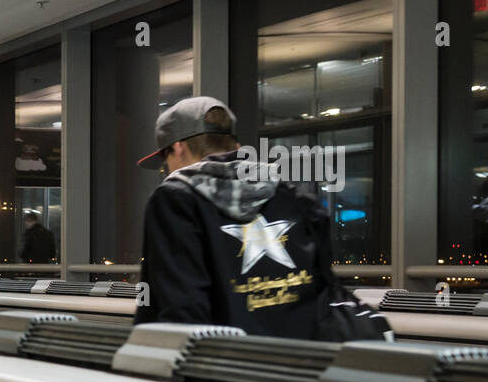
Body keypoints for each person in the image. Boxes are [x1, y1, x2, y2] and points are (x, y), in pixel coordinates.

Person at [133, 96, 345, 340]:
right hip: (303, 358)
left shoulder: (174, 200)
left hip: (227, 363)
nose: (167, 171)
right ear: (236, 147)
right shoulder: (294, 195)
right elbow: (324, 287)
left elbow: (180, 303)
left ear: (178, 148)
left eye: (165, 161)